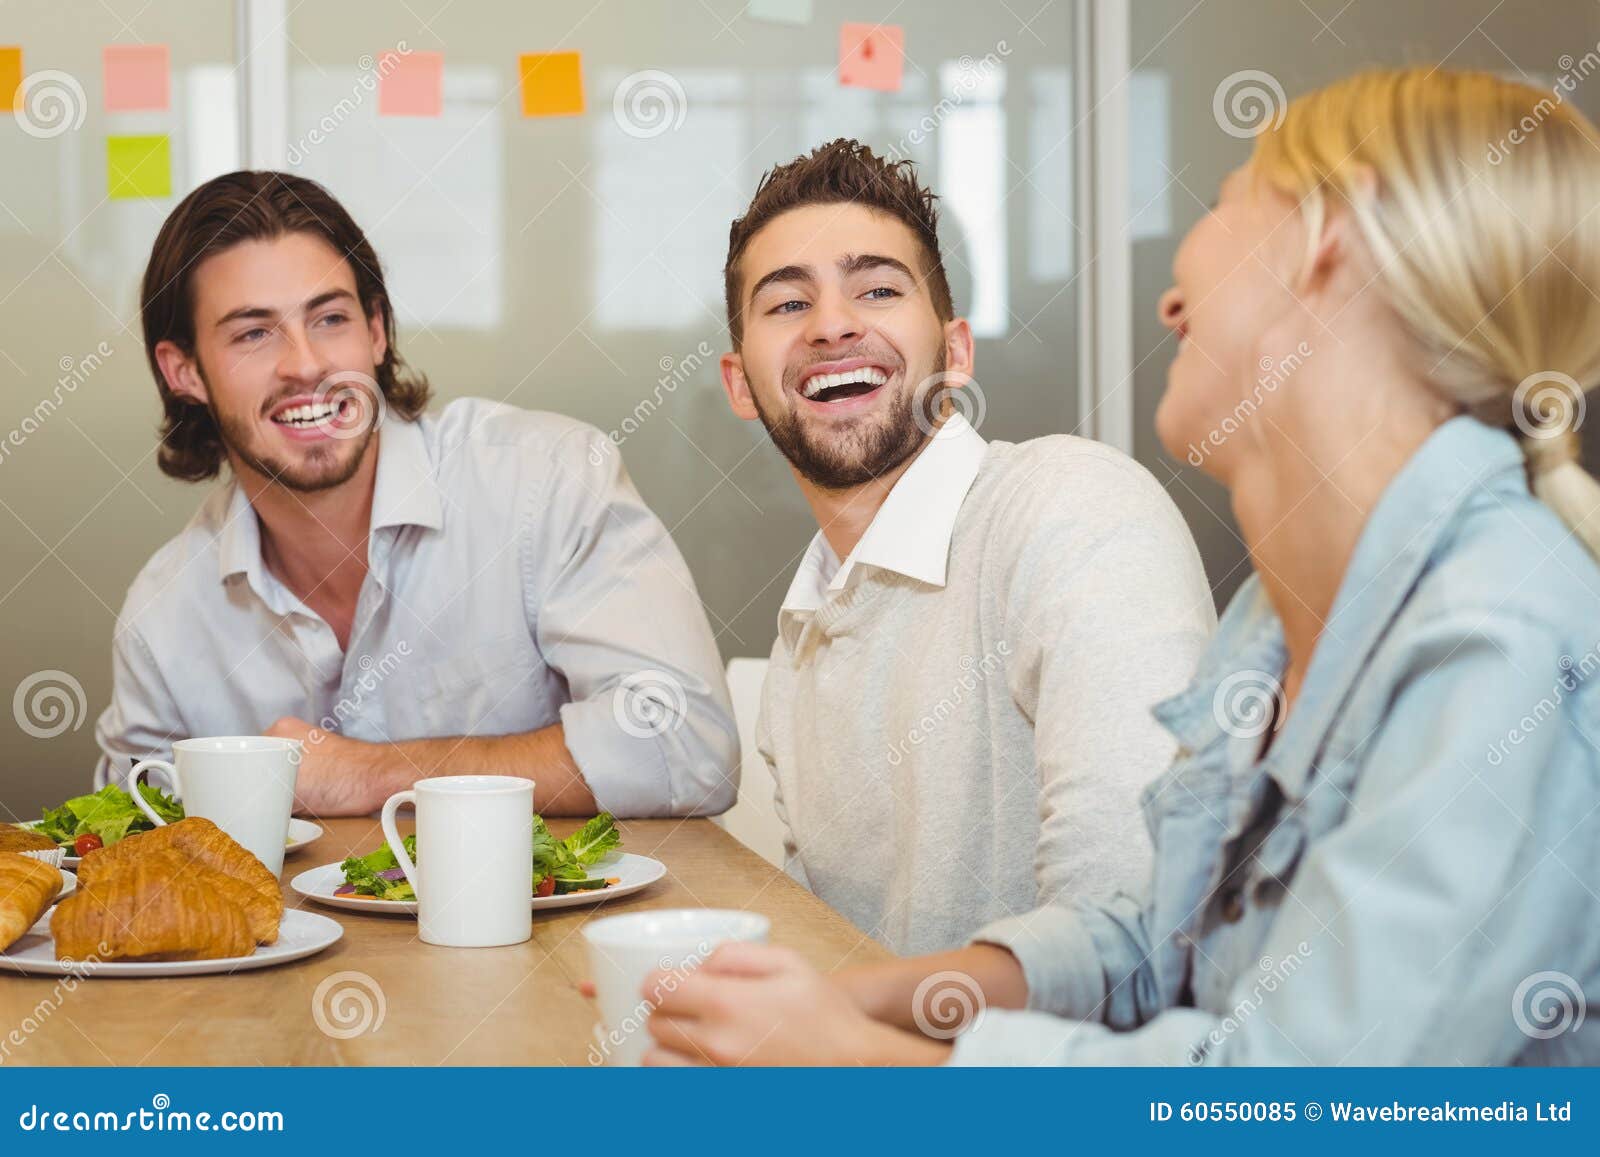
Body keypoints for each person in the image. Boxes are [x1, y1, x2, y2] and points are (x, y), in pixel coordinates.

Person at [640, 68, 1600, 1065]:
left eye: (1227, 203)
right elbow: (1149, 941)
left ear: (1327, 238)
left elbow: (1296, 1107)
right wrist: (846, 1000)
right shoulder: (1274, 623)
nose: (1171, 298)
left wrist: (853, 1055)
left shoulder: (1503, 633)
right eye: (786, 301)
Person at [94, 171, 738, 819]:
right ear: (184, 371)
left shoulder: (547, 482)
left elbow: (690, 745)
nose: (306, 364)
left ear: (375, 332)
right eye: (253, 333)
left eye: (330, 318)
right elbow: (130, 840)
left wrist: (370, 774)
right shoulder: (165, 617)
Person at [717, 140, 1215, 955]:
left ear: (955, 353)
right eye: (786, 304)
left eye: (877, 289)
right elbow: (834, 954)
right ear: (741, 384)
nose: (833, 324)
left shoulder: (1071, 511)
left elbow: (1135, 933)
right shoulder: (802, 639)